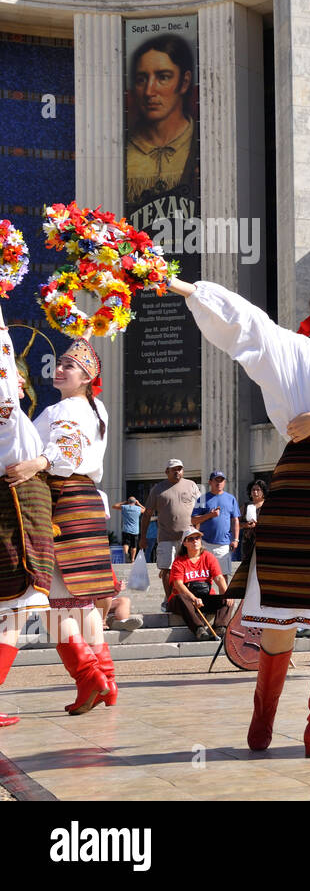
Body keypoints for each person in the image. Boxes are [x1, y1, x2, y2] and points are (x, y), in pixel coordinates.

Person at [170, 265, 310, 759]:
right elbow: (245, 323)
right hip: (301, 488)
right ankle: (264, 715)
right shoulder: (293, 351)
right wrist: (187, 287)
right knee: (280, 612)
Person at [7, 339, 119, 713]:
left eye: (69, 365)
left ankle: (91, 677)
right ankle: (105, 677)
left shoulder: (67, 408)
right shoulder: (94, 407)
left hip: (62, 500)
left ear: (87, 377)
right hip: (84, 500)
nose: (60, 369)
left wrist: (34, 464)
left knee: (51, 598)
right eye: (60, 363)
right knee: (79, 598)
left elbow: (66, 448)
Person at [0, 306, 58, 726]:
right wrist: (41, 462)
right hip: (16, 508)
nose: (20, 378)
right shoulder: (10, 416)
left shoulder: (19, 418)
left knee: (23, 610)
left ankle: (96, 677)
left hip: (21, 504)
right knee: (19, 609)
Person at [125, 34, 198, 212]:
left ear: (185, 82)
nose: (149, 91)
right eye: (142, 79)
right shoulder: (125, 149)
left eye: (163, 77)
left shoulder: (201, 143)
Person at [139, 459, 201, 602]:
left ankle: (187, 599)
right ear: (167, 472)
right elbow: (147, 514)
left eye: (180, 469)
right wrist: (143, 537)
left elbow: (200, 511)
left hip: (188, 538)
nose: (177, 472)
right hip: (166, 537)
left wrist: (197, 534)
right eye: (174, 469)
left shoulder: (192, 485)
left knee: (189, 569)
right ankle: (170, 601)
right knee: (167, 570)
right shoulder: (157, 489)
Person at [166, 527, 228, 639]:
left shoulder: (208, 557)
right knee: (180, 597)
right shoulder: (179, 562)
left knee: (228, 598)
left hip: (204, 598)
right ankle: (199, 629)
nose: (195, 541)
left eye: (197, 538)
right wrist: (193, 598)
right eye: (191, 539)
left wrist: (227, 594)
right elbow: (178, 585)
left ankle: (220, 627)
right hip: (184, 600)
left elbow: (219, 578)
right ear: (184, 543)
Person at [192, 470, 240, 580]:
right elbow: (193, 520)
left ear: (224, 482)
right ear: (210, 482)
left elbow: (235, 520)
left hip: (223, 544)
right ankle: (206, 596)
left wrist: (236, 539)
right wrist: (210, 515)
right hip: (205, 543)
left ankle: (225, 597)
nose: (218, 483)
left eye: (221, 480)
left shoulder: (231, 498)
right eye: (216, 480)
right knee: (204, 576)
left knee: (222, 576)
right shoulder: (202, 499)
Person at [112, 495, 144, 563]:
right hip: (135, 530)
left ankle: (126, 553)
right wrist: (139, 504)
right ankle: (132, 559)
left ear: (128, 501)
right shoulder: (138, 509)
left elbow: (114, 506)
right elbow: (146, 510)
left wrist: (123, 502)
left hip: (126, 529)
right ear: (135, 502)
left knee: (126, 543)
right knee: (134, 545)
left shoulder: (124, 507)